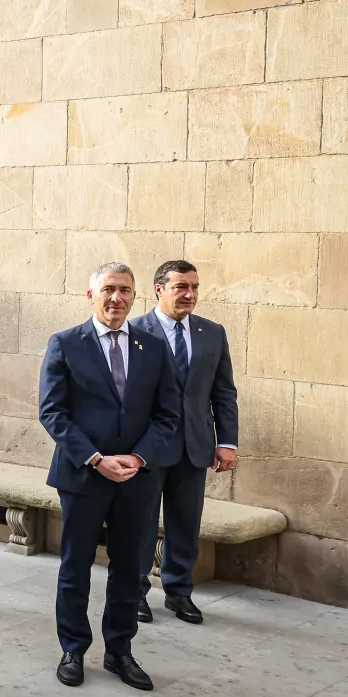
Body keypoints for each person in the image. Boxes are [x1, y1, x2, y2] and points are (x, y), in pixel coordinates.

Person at [40, 261, 181, 691]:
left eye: (124, 290)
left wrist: (138, 459)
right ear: (91, 295)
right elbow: (53, 412)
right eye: (108, 290)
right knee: (75, 566)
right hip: (84, 476)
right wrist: (97, 458)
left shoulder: (153, 348)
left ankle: (120, 650)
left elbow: (167, 414)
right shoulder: (65, 343)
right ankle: (73, 649)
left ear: (134, 296)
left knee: (129, 569)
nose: (116, 298)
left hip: (137, 479)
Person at [129, 260, 237, 625]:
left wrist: (228, 442)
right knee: (140, 522)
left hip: (195, 445)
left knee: (186, 523)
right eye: (181, 287)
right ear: (159, 289)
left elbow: (223, 392)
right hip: (146, 447)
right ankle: (134, 591)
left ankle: (179, 593)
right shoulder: (132, 330)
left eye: (194, 287)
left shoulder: (213, 332)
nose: (189, 294)